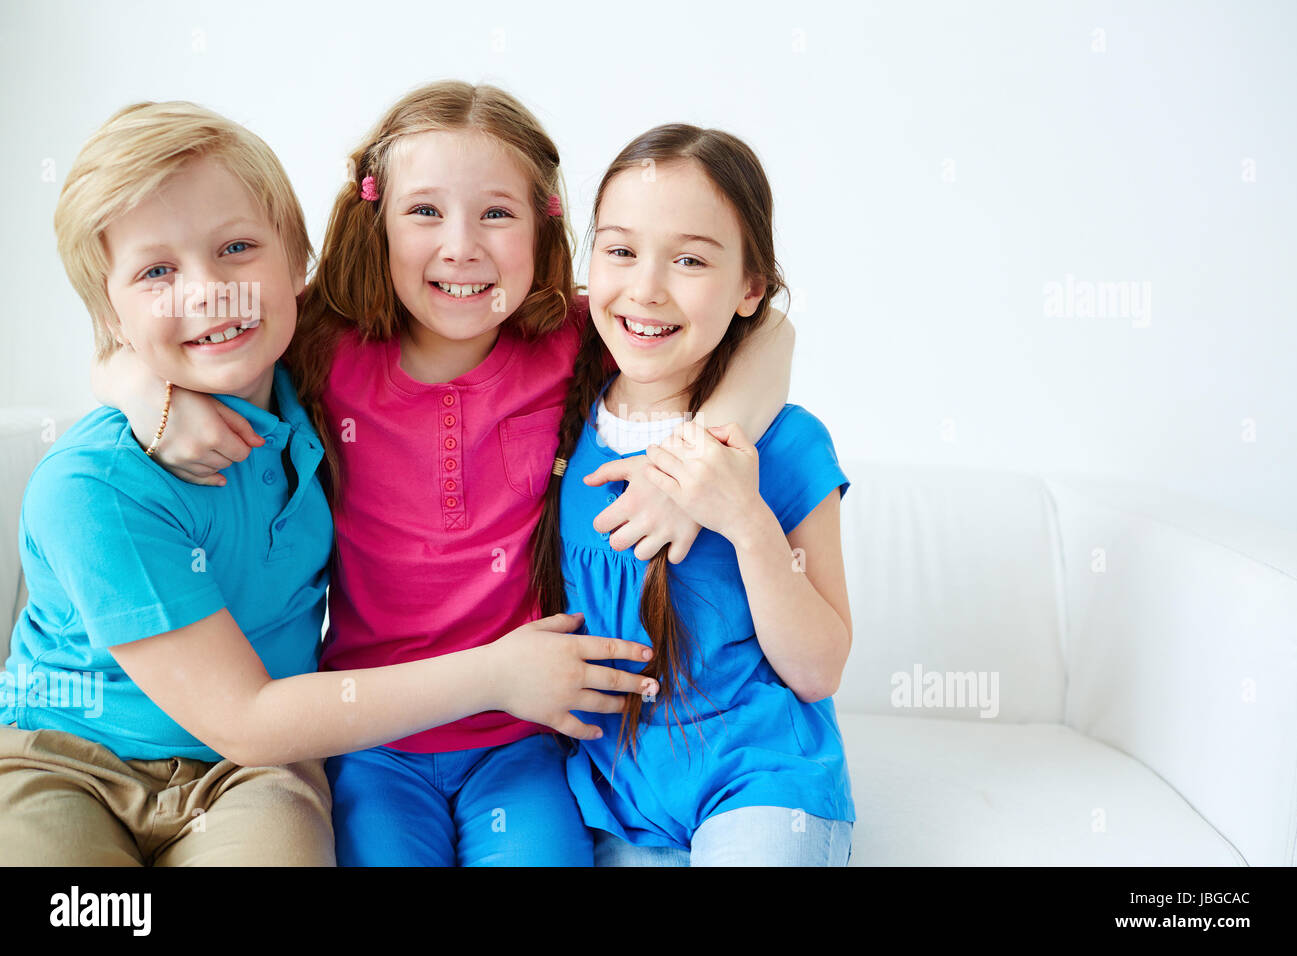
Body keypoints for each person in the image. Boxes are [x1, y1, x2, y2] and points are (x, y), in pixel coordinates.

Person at [0, 100, 657, 866]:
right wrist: (134, 384)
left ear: (297, 260)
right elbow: (244, 715)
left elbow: (746, 323)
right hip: (75, 758)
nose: (213, 292)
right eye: (157, 270)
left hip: (261, 770)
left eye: (239, 248)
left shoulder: (302, 367)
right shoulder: (100, 479)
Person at [532, 124, 856, 865]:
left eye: (688, 260)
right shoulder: (558, 416)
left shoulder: (786, 442)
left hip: (760, 780)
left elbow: (819, 667)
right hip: (610, 796)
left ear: (750, 288)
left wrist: (744, 518)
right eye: (619, 250)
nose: (646, 289)